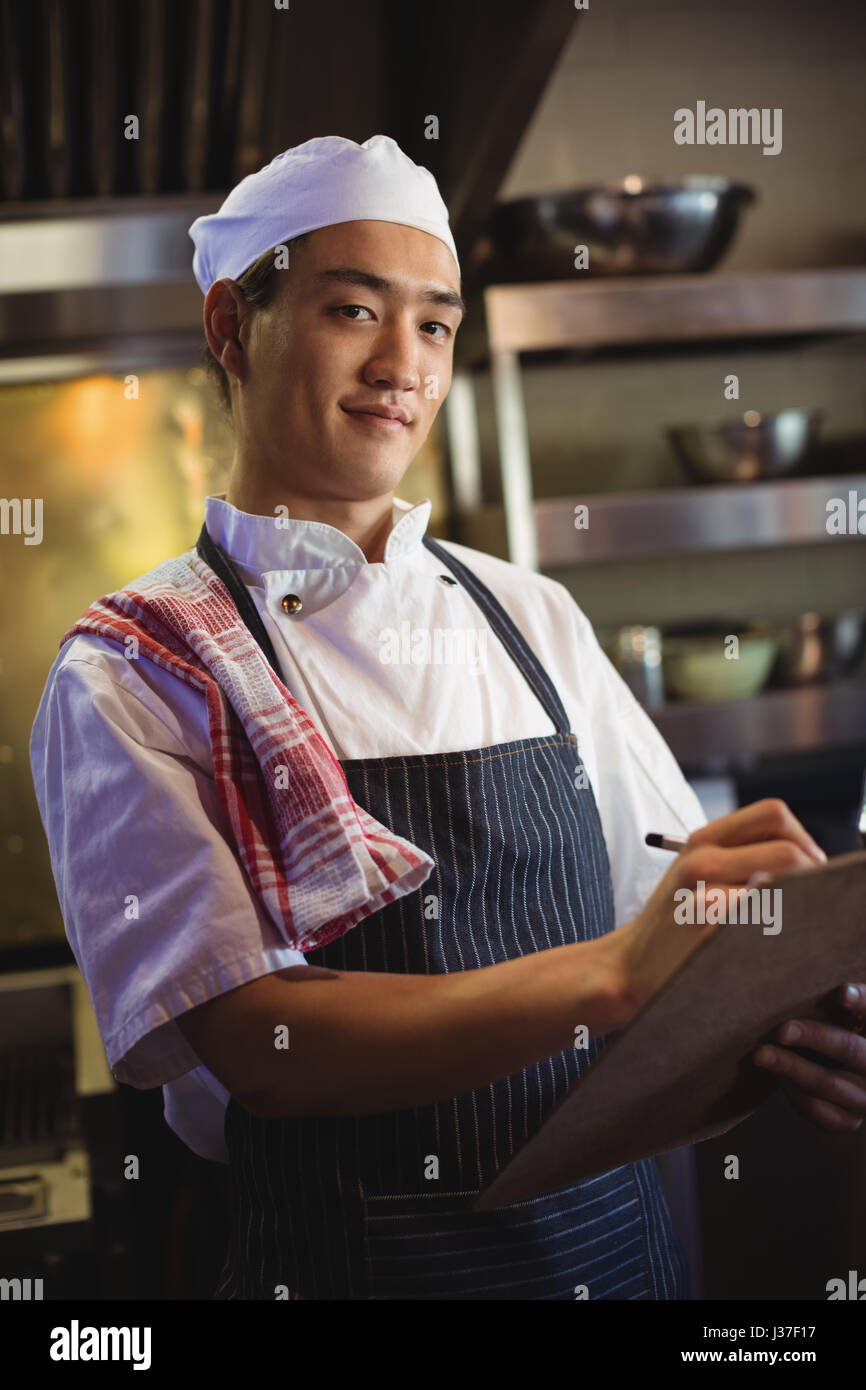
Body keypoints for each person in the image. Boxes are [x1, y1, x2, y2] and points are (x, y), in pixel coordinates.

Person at [30, 136, 866, 1301]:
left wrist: (790, 1027)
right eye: (352, 309)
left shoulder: (528, 613)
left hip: (619, 1269)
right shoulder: (134, 672)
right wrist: (613, 975)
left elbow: (679, 961)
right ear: (231, 327)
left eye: (434, 323)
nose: (401, 364)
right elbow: (257, 1044)